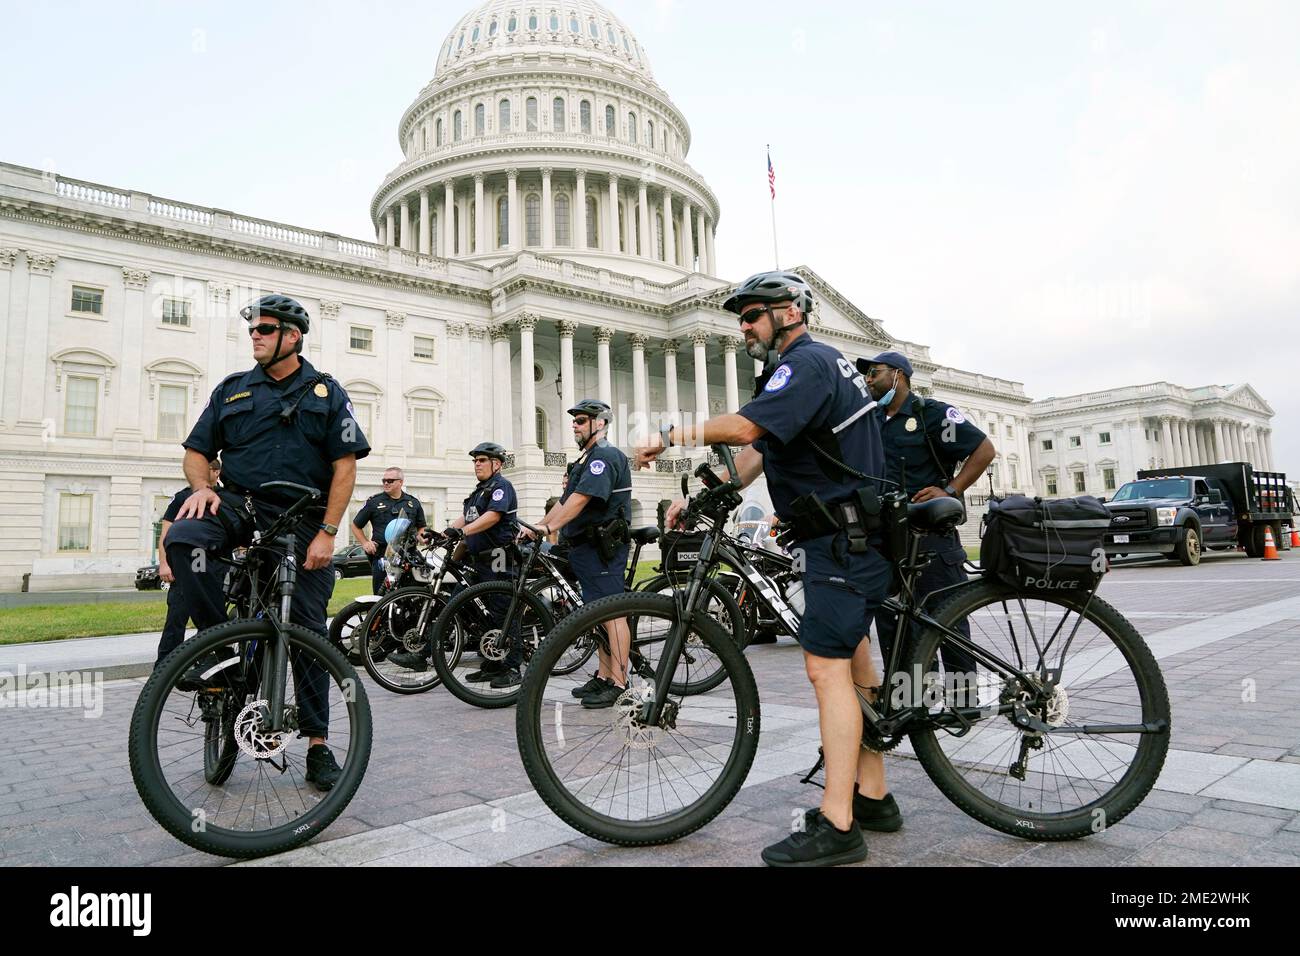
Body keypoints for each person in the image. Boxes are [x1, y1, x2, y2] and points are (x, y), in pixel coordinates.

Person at [636, 270, 901, 866]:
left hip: (840, 536)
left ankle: (838, 827)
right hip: (847, 532)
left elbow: (748, 428)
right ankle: (874, 795)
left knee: (824, 669)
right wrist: (705, 493)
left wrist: (667, 433)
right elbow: (759, 451)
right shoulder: (817, 367)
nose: (744, 327)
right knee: (855, 663)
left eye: (753, 315)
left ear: (789, 313)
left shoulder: (805, 363)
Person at [166, 294, 371, 791]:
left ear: (292, 336)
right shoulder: (232, 390)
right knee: (185, 538)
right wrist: (202, 491)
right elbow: (197, 452)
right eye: (253, 329)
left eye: (264, 329)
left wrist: (327, 532)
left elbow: (345, 466)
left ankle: (318, 744)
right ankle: (224, 648)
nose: (254, 335)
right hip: (241, 508)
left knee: (308, 629)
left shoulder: (325, 393)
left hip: (302, 520)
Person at [860, 351, 995, 683]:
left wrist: (950, 490)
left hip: (932, 537)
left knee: (947, 618)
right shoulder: (873, 420)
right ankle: (915, 700)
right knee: (894, 622)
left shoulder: (931, 414)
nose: (868, 380)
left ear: (899, 376)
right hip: (888, 540)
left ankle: (964, 699)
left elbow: (984, 450)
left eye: (874, 373)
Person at [526, 399, 632, 709]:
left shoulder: (605, 457)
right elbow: (565, 500)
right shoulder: (585, 459)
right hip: (585, 547)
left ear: (599, 424)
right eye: (574, 421)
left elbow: (581, 500)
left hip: (603, 548)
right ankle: (603, 674)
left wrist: (549, 528)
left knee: (612, 614)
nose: (575, 425)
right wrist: (540, 525)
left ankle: (620, 682)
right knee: (597, 613)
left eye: (582, 420)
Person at [388, 443, 521, 685]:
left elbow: (493, 516)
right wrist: (444, 533)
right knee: (455, 606)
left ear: (497, 464)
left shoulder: (502, 486)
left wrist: (463, 531)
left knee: (503, 614)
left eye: (482, 460)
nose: (477, 464)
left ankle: (512, 669)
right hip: (476, 561)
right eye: (475, 461)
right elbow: (466, 518)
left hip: (499, 559)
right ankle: (480, 663)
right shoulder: (479, 491)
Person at [155, 458, 223, 664]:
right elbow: (165, 533)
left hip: (216, 565)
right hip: (187, 563)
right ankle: (165, 666)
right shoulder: (183, 497)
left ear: (216, 472)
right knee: (177, 617)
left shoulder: (226, 498)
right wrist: (164, 564)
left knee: (211, 620)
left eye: (206, 469)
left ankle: (205, 663)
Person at [350, 466, 427, 594]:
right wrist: (365, 543)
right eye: (384, 480)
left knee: (410, 596)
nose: (386, 483)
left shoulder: (413, 503)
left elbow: (421, 527)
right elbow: (355, 525)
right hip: (382, 557)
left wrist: (421, 537)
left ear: (400, 482)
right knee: (380, 599)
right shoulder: (374, 502)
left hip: (408, 557)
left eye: (390, 480)